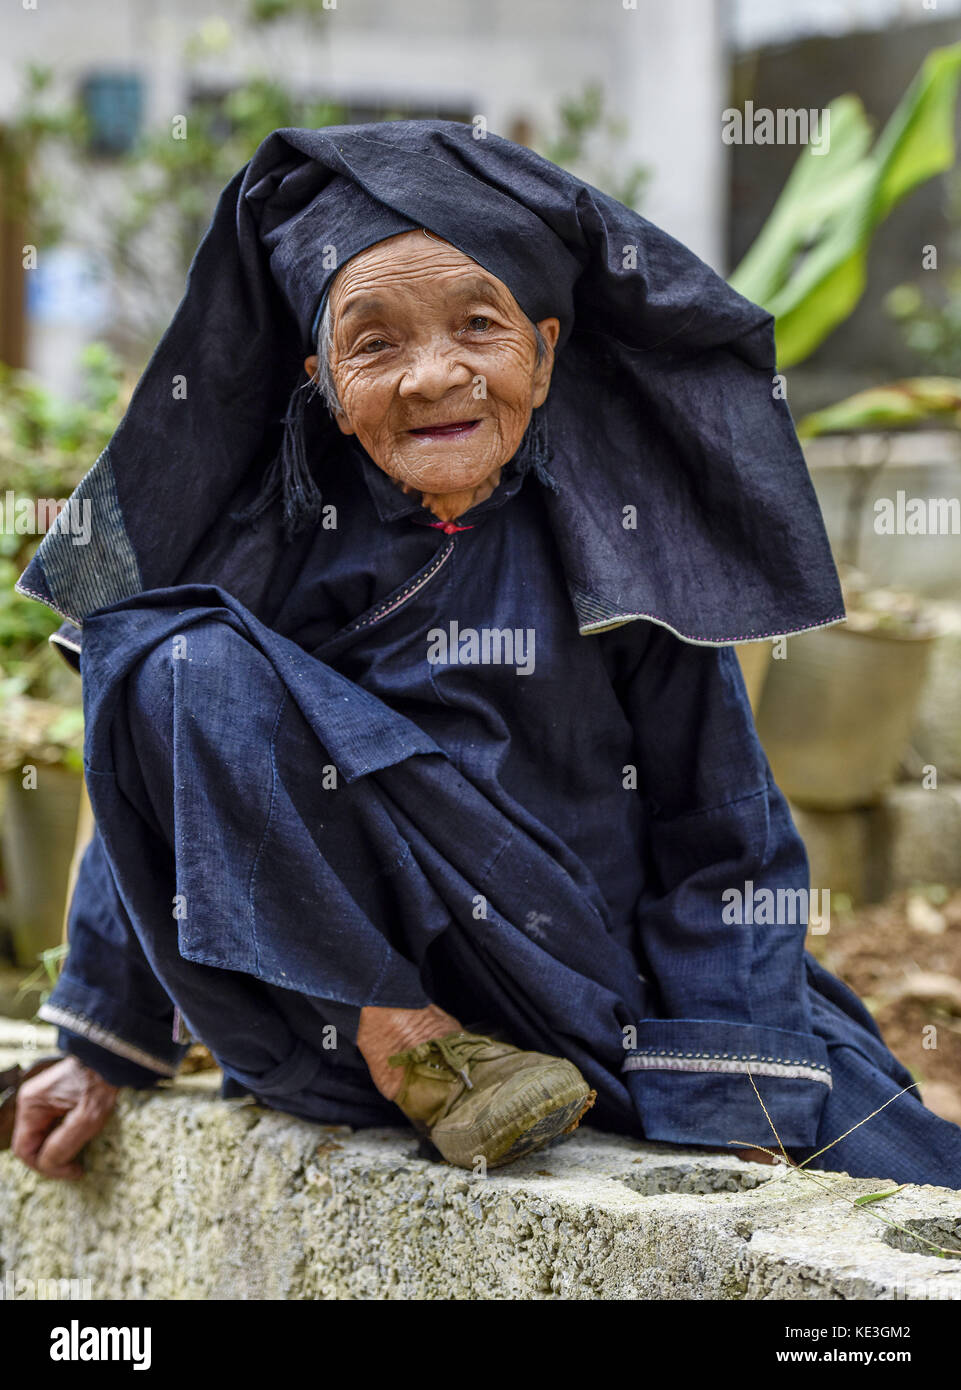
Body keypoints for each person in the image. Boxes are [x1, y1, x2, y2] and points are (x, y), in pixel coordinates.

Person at [11, 122, 961, 1185]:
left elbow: (722, 826)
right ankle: (416, 1044)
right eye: (374, 344)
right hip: (360, 1023)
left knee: (897, 1182)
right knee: (164, 656)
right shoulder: (272, 544)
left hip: (592, 986)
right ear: (321, 377)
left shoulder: (615, 543)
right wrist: (100, 1044)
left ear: (544, 355)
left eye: (479, 325)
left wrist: (726, 1088)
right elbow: (163, 783)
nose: (434, 376)